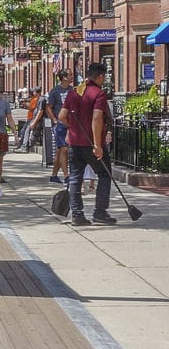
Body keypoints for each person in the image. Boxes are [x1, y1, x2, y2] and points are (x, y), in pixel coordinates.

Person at [60, 62, 115, 226]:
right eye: (103, 77)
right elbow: (97, 118)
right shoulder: (98, 93)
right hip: (91, 143)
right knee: (105, 175)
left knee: (75, 178)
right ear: (100, 76)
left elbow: (62, 116)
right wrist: (97, 145)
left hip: (75, 143)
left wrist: (74, 127)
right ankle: (100, 212)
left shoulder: (74, 92)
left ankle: (77, 214)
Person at [45, 69, 73, 184]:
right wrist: (54, 120)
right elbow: (48, 107)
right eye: (70, 75)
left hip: (70, 123)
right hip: (60, 124)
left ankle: (54, 175)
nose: (72, 76)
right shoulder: (55, 91)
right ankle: (67, 176)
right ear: (64, 78)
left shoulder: (72, 90)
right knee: (64, 149)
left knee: (59, 151)